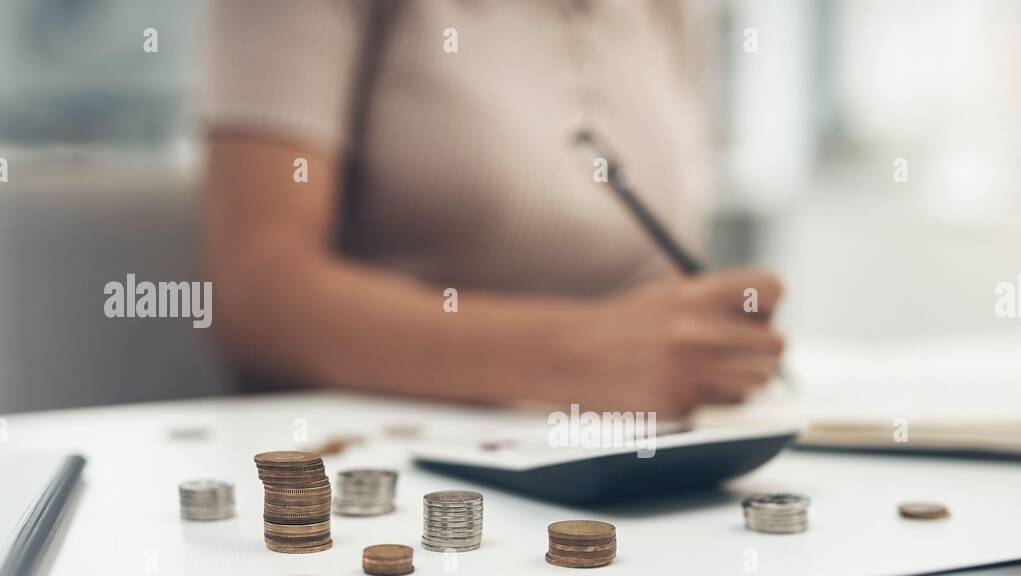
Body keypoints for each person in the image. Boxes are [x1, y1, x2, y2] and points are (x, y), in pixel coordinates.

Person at [202, 0, 784, 419]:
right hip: (379, 444)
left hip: (623, 445)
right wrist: (579, 355)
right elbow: (258, 290)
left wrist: (698, 344)